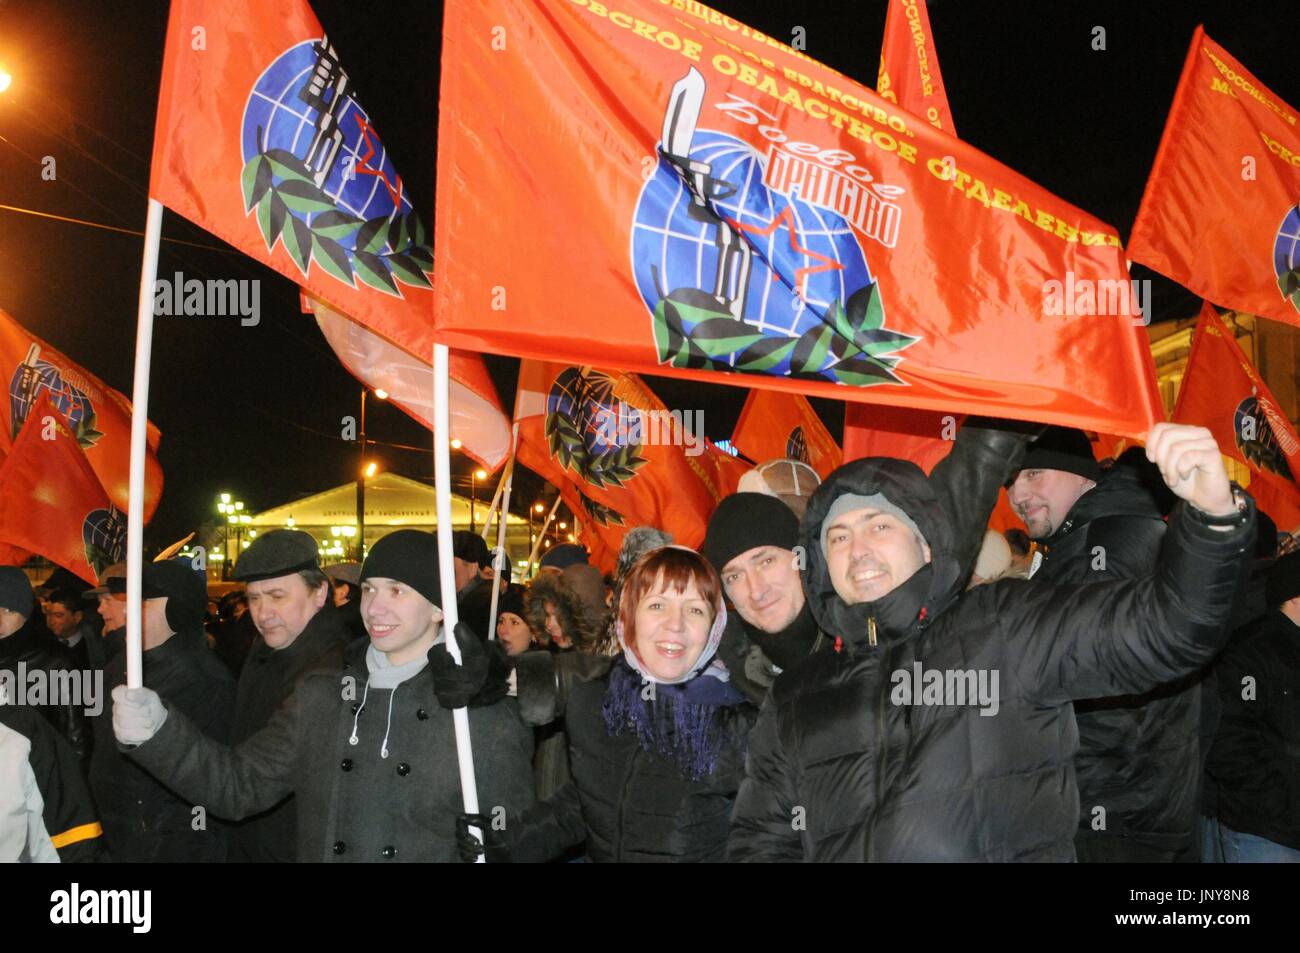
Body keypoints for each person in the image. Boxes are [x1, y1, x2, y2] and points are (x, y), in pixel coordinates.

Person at [729, 423, 1256, 862]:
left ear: (924, 542)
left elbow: (1169, 629)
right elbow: (762, 843)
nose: (858, 549)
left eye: (879, 525)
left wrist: (1213, 518)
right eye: (837, 538)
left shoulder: (1002, 627)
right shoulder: (796, 696)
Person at [113, 530, 535, 863]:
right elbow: (238, 785)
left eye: (398, 591)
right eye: (369, 589)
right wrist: (159, 731)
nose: (375, 608)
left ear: (438, 608)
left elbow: (515, 839)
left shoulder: (478, 712)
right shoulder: (323, 696)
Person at [461, 546, 755, 863]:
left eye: (695, 609)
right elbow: (584, 804)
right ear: (628, 616)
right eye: (657, 605)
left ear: (715, 625)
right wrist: (510, 843)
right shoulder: (599, 701)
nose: (675, 625)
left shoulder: (741, 728)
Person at [1008, 426, 1199, 862]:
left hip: (1107, 808)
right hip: (1130, 803)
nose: (1019, 494)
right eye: (1010, 480)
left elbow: (1100, 696)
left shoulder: (1103, 549)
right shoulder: (1099, 535)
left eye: (1034, 474)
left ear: (1084, 477)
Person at [90, 559, 235, 862]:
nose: (129, 611)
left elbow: (204, 788)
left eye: (142, 601)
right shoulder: (121, 666)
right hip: (118, 841)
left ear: (176, 611)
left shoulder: (205, 682)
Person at [224, 530, 352, 862]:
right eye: (253, 598)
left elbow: (253, 781)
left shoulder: (328, 670)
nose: (262, 613)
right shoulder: (268, 647)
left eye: (277, 596)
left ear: (319, 592)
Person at [1204, 550, 1300, 862]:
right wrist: (1284, 801)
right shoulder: (1251, 649)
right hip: (1266, 833)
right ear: (1295, 596)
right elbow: (1228, 740)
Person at [0, 567, 90, 765]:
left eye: (8, 610)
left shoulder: (57, 664)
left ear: (26, 613)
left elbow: (76, 743)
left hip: (36, 785)